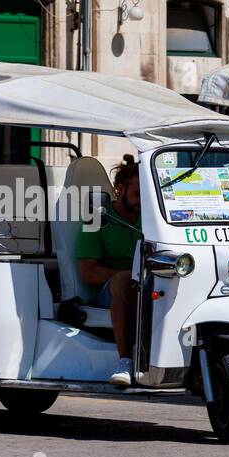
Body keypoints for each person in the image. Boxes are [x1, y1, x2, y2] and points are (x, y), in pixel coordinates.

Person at [77, 155, 142, 386]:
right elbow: (88, 272)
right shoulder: (97, 218)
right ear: (119, 189)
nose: (142, 201)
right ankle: (125, 361)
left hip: (149, 283)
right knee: (124, 280)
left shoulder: (155, 217)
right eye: (137, 195)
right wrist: (129, 275)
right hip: (110, 293)